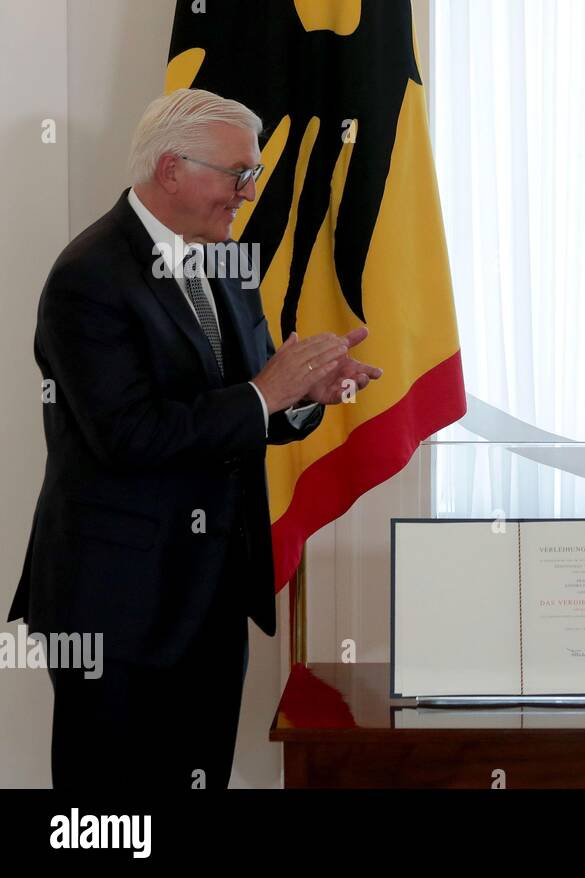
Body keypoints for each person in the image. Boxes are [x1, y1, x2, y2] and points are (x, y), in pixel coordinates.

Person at [7, 88, 383, 789]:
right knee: (112, 819)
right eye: (237, 173)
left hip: (210, 596)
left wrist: (305, 395)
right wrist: (268, 390)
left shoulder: (226, 258)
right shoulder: (88, 277)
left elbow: (245, 399)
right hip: (115, 608)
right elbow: (130, 436)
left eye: (254, 174)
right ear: (172, 169)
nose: (248, 192)